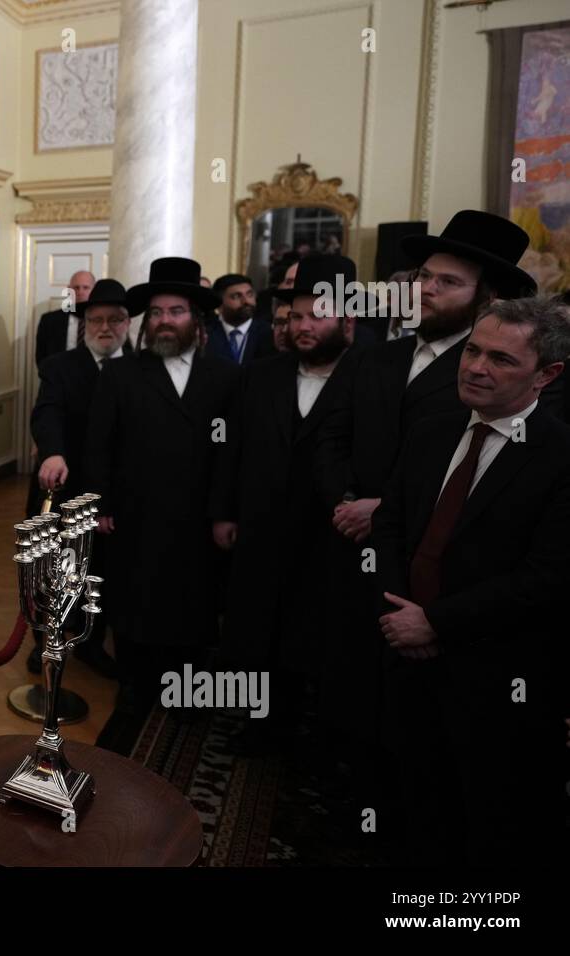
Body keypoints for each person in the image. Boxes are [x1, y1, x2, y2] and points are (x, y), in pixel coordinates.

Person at [314, 209, 539, 833]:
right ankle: (352, 786)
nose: (425, 290)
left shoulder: (492, 373)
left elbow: (487, 481)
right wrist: (344, 503)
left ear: (486, 298)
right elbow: (331, 434)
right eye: (423, 277)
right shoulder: (372, 358)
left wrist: (381, 509)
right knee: (350, 676)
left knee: (418, 706)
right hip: (351, 545)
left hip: (430, 567)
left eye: (447, 283)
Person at [373, 296, 570, 864]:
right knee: (416, 810)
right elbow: (389, 528)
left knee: (492, 825)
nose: (476, 367)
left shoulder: (561, 458)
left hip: (499, 681)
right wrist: (396, 614)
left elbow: (547, 577)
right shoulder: (430, 432)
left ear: (547, 375)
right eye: (473, 351)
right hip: (405, 662)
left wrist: (433, 622)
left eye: (502, 360)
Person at [210, 255, 362, 753]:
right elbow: (232, 449)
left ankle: (325, 734)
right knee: (258, 632)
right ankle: (262, 725)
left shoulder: (370, 379)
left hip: (331, 539)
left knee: (320, 637)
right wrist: (225, 512)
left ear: (347, 320)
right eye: (296, 316)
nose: (303, 325)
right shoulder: (260, 375)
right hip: (262, 530)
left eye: (317, 315)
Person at [87, 258, 239, 727]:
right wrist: (103, 503)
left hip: (198, 518)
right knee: (133, 608)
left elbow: (232, 452)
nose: (165, 321)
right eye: (156, 313)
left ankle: (186, 693)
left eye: (176, 311)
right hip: (135, 516)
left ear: (195, 318)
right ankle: (134, 690)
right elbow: (99, 445)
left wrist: (224, 512)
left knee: (191, 611)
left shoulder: (225, 377)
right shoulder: (120, 375)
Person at [24, 278, 132, 679]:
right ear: (85, 323)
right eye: (97, 319)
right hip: (64, 487)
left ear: (128, 324)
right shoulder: (60, 367)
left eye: (115, 320)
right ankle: (45, 643)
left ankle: (90, 643)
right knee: (55, 571)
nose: (105, 328)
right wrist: (52, 450)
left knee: (100, 575)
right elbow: (46, 412)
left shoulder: (140, 368)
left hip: (115, 495)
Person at [205, 273, 273, 364]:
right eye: (236, 296)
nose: (246, 301)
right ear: (219, 304)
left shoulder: (268, 332)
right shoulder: (204, 332)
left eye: (250, 294)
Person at [35, 270, 95, 369]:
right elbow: (41, 358)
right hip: (57, 380)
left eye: (85, 287)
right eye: (76, 288)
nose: (80, 292)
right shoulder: (49, 321)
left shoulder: (104, 322)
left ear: (94, 290)